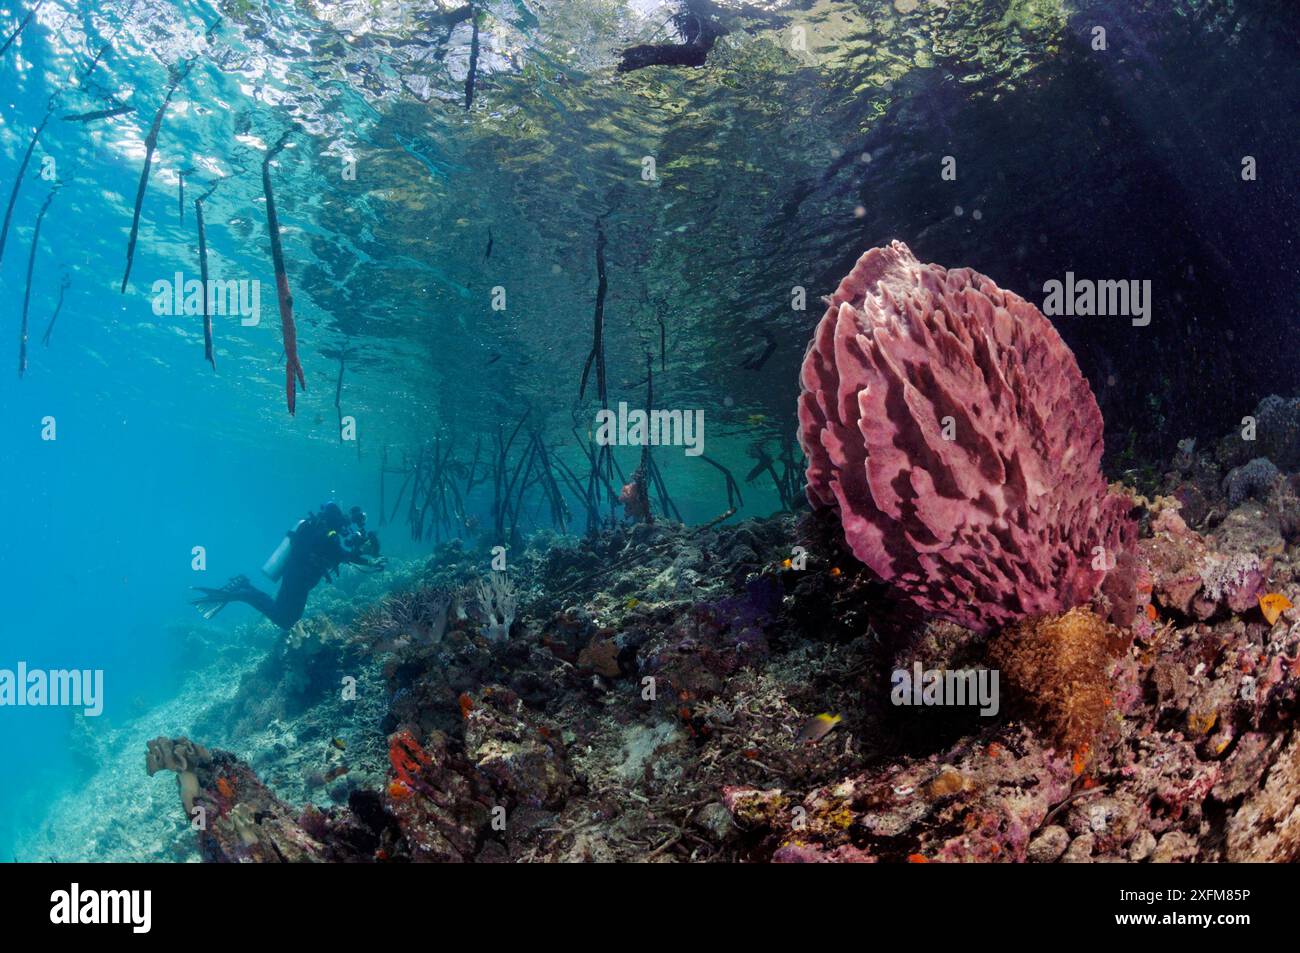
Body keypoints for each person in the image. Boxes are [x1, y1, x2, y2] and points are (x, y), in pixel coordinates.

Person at [191, 502, 383, 629]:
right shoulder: (327, 535)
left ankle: (244, 588)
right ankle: (241, 592)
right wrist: (369, 559)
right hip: (298, 578)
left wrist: (365, 557)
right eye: (342, 521)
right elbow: (343, 555)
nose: (345, 526)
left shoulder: (322, 530)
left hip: (299, 576)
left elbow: (342, 554)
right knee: (286, 620)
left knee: (284, 616)